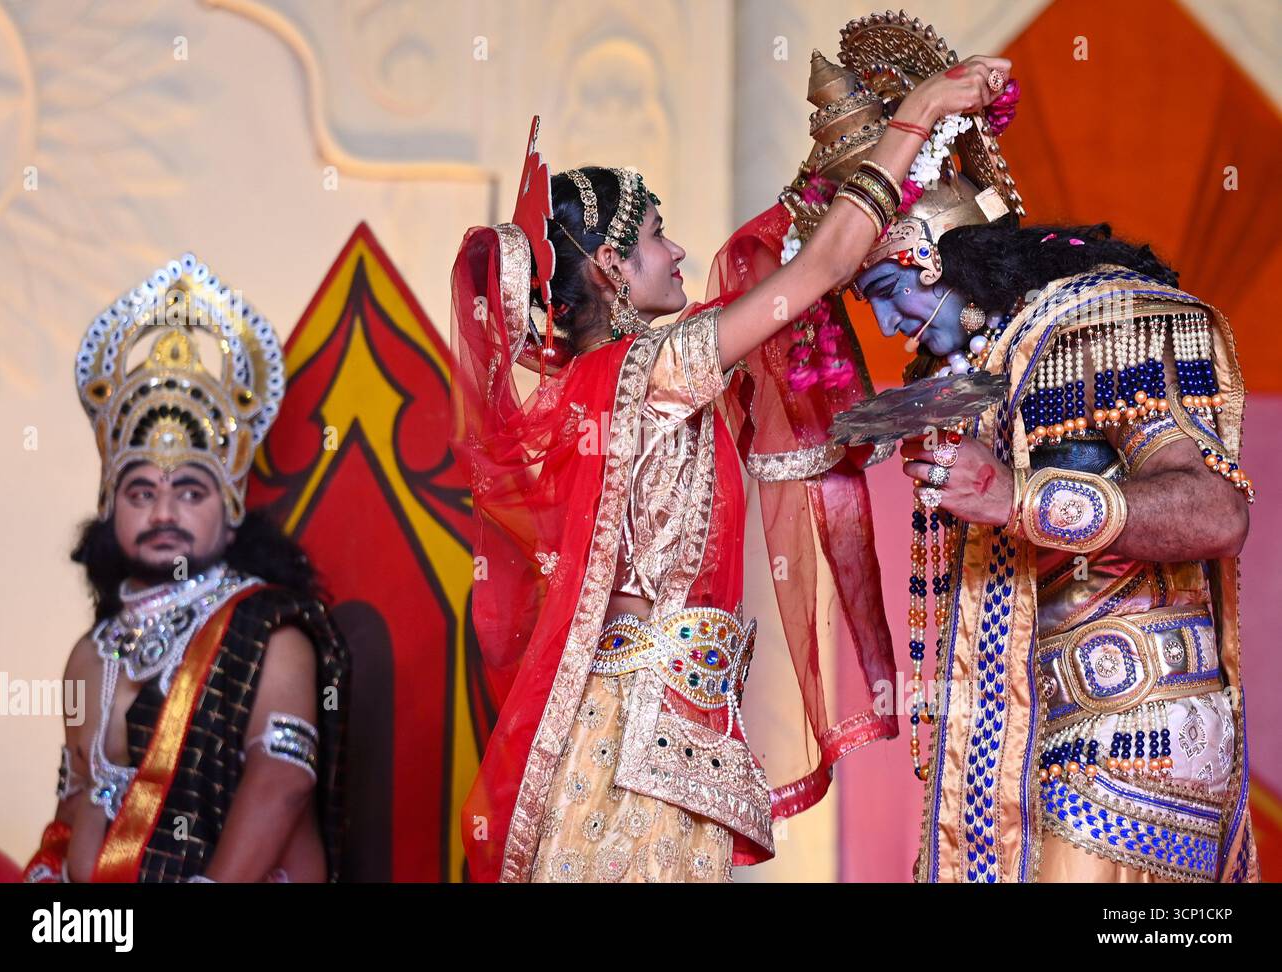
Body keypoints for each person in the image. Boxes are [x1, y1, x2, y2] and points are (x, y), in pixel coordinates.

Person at [450, 38, 1011, 882]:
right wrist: (917, 114)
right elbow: (818, 270)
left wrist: (961, 399)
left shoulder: (607, 387)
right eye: (656, 235)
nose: (678, 253)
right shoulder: (647, 368)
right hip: (638, 751)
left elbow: (808, 421)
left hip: (644, 735)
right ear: (611, 266)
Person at [837, 13, 1258, 882]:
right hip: (1029, 744)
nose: (883, 324)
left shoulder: (1112, 322)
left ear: (932, 257)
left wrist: (1014, 499)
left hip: (1128, 749)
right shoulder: (995, 361)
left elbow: (1218, 511)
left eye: (883, 291)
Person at [22, 255, 348, 883]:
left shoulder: (269, 633)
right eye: (140, 492)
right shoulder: (91, 656)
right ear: (109, 509)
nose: (163, 511)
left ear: (230, 512)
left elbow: (281, 785)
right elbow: (75, 803)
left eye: (191, 492)